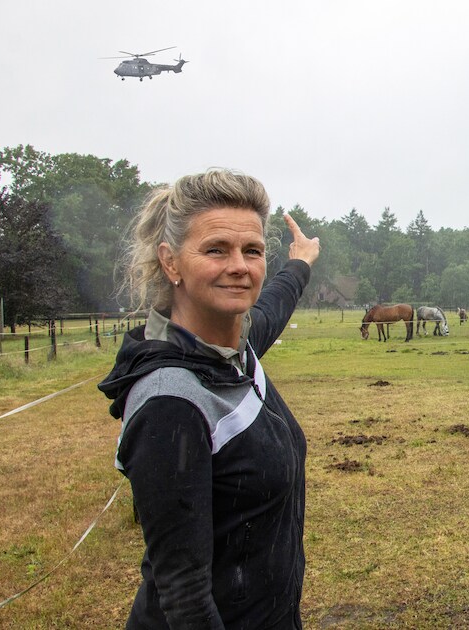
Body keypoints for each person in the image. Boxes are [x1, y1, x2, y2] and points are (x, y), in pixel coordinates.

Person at [98, 168, 320, 629]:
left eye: (252, 251)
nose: (239, 265)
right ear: (171, 262)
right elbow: (184, 595)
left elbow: (270, 308)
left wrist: (299, 262)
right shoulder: (172, 402)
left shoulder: (231, 352)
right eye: (216, 249)